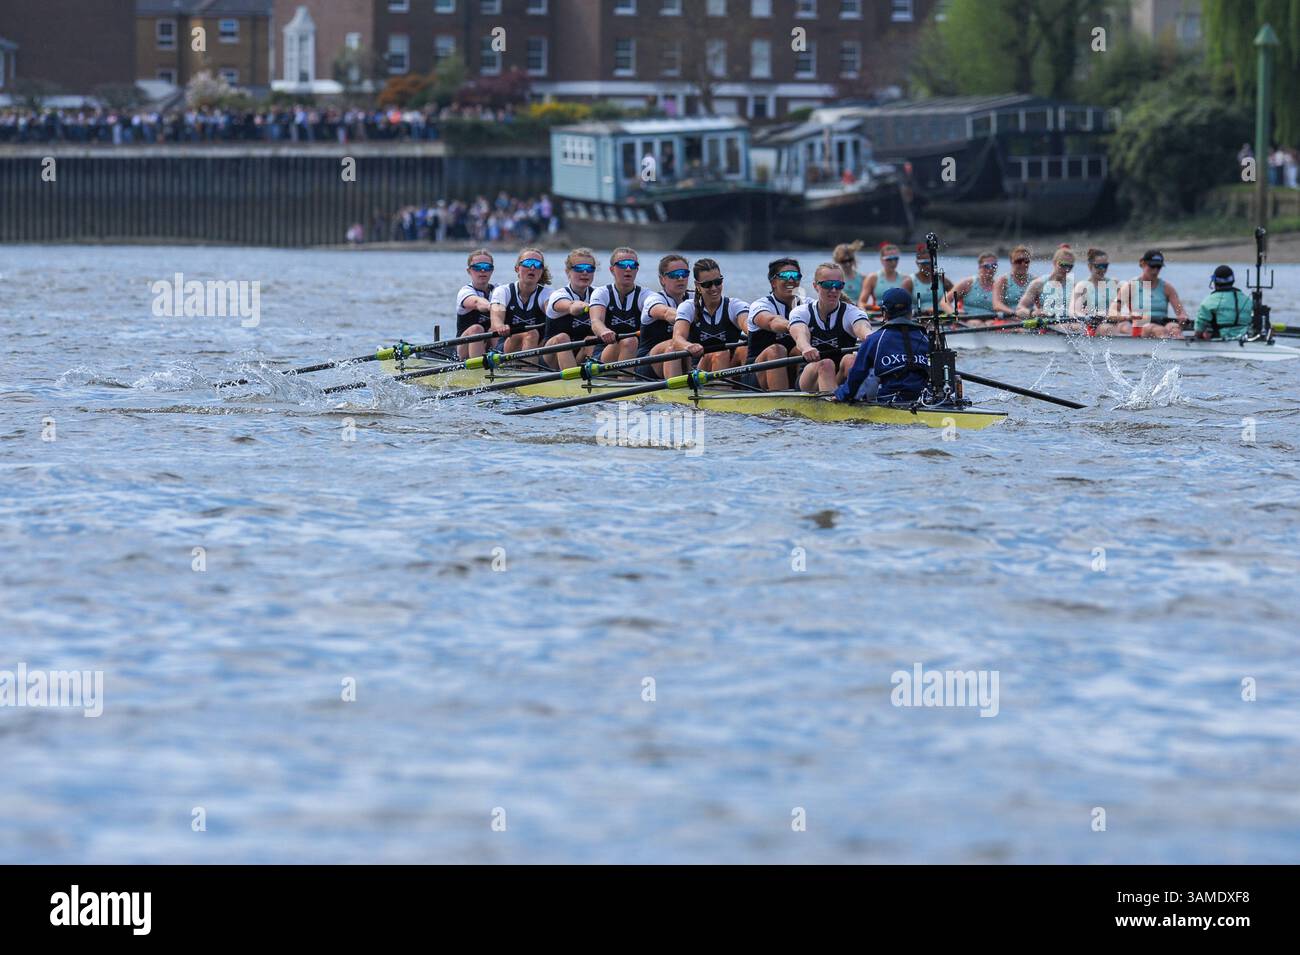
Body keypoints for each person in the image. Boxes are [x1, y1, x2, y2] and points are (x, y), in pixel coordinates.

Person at [836, 287, 931, 405]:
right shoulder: (925, 337)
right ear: (910, 312)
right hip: (924, 398)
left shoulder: (875, 339)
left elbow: (857, 374)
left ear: (884, 312)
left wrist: (841, 395)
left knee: (868, 376)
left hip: (889, 399)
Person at [789, 262, 872, 393]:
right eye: (827, 285)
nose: (833, 290)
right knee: (826, 364)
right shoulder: (801, 312)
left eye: (838, 286)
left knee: (851, 360)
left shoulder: (852, 312)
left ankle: (862, 400)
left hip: (839, 376)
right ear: (815, 286)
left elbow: (862, 328)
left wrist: (871, 339)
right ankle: (836, 408)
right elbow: (800, 333)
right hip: (810, 378)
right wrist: (806, 347)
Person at [661, 258, 750, 379]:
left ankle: (747, 388)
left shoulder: (734, 305)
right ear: (698, 285)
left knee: (744, 348)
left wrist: (753, 331)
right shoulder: (688, 307)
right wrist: (688, 346)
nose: (714, 288)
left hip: (730, 368)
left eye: (718, 282)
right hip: (698, 370)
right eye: (707, 284)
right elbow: (677, 338)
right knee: (720, 354)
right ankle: (722, 394)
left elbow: (746, 323)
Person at [746, 258, 805, 391]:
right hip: (755, 374)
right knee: (777, 350)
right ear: (773, 282)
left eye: (795, 276)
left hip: (790, 367)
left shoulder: (808, 304)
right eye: (784, 276)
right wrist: (793, 326)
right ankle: (782, 408)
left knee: (801, 350)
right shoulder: (760, 305)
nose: (791, 280)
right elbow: (772, 321)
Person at [542, 248, 599, 370]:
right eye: (579, 268)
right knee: (562, 337)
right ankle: (573, 384)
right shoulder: (558, 295)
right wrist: (588, 306)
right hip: (551, 357)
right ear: (568, 272)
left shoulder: (599, 294)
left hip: (580, 355)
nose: (585, 272)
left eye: (590, 268)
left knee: (592, 340)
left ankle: (598, 380)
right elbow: (571, 307)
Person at [488, 248, 552, 354]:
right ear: (517, 269)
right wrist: (500, 326)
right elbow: (496, 318)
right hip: (506, 346)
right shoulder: (502, 291)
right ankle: (529, 369)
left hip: (539, 346)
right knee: (531, 333)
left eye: (537, 264)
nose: (532, 267)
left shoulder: (548, 294)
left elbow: (551, 313)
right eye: (527, 263)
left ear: (541, 271)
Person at [587, 247, 644, 364]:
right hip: (604, 353)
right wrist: (603, 331)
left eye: (633, 265)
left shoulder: (646, 295)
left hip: (638, 354)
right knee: (630, 341)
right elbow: (596, 321)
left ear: (637, 269)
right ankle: (626, 381)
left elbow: (659, 308)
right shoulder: (602, 293)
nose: (628, 269)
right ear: (612, 269)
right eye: (622, 265)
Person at [1114, 249, 1187, 339]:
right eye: (1152, 266)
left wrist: (1182, 316)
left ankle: (1180, 350)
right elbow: (1113, 312)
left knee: (1175, 329)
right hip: (1137, 324)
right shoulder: (1129, 286)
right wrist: (1127, 317)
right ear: (1143, 264)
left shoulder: (1167, 288)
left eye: (1158, 267)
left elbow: (1180, 311)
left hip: (1161, 323)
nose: (1155, 271)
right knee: (1159, 330)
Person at [640, 254, 692, 377]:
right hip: (648, 365)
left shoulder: (695, 298)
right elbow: (666, 313)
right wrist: (689, 317)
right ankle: (676, 394)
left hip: (686, 354)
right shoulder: (654, 299)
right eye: (674, 275)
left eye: (684, 273)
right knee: (674, 345)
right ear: (662, 279)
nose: (680, 278)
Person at [1069, 247, 1126, 335]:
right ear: (1090, 266)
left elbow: (1125, 308)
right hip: (1092, 324)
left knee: (1125, 326)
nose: (1102, 269)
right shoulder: (1082, 286)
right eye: (1098, 266)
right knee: (1105, 328)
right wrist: (1088, 317)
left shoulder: (1115, 284)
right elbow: (1074, 311)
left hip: (1113, 322)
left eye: (1105, 266)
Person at [1015, 245, 1074, 322]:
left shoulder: (1074, 287)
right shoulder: (1038, 284)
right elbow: (1019, 309)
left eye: (1069, 266)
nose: (1066, 269)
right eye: (1062, 264)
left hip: (1066, 324)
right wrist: (1032, 313)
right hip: (1044, 324)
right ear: (1054, 262)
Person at [454, 249, 495, 359]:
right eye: (477, 267)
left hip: (489, 343)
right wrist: (493, 306)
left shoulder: (499, 290)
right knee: (477, 329)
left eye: (487, 267)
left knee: (495, 328)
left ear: (492, 270)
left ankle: (505, 366)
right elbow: (477, 302)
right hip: (464, 347)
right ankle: (477, 371)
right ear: (469, 271)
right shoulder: (465, 292)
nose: (482, 270)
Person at [1194, 265, 1253, 341]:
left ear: (1214, 281)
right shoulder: (1247, 300)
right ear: (1233, 281)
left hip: (1219, 342)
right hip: (1244, 340)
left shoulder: (1208, 302)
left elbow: (1198, 332)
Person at [944, 251, 1001, 324]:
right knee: (976, 323)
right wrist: (953, 312)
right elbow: (944, 301)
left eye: (994, 266)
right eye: (987, 266)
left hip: (991, 319)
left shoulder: (999, 286)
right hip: (968, 318)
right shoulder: (967, 283)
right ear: (979, 267)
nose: (990, 269)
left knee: (991, 324)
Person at [857, 242, 908, 310]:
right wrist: (867, 310)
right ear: (881, 260)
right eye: (889, 259)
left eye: (895, 258)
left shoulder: (905, 279)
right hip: (878, 316)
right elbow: (861, 302)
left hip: (898, 317)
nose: (893, 262)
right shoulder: (872, 278)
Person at [911, 242, 954, 317]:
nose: (927, 266)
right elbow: (904, 306)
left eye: (929, 263)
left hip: (940, 317)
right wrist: (925, 311)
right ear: (917, 263)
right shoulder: (909, 282)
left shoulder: (942, 280)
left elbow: (959, 297)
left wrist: (957, 308)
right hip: (918, 317)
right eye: (924, 263)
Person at [993, 245, 1034, 317]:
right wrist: (1015, 313)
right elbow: (997, 305)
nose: (1023, 264)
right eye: (1019, 261)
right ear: (1011, 262)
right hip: (1009, 318)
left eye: (1026, 261)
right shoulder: (1002, 281)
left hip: (1029, 318)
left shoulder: (1035, 281)